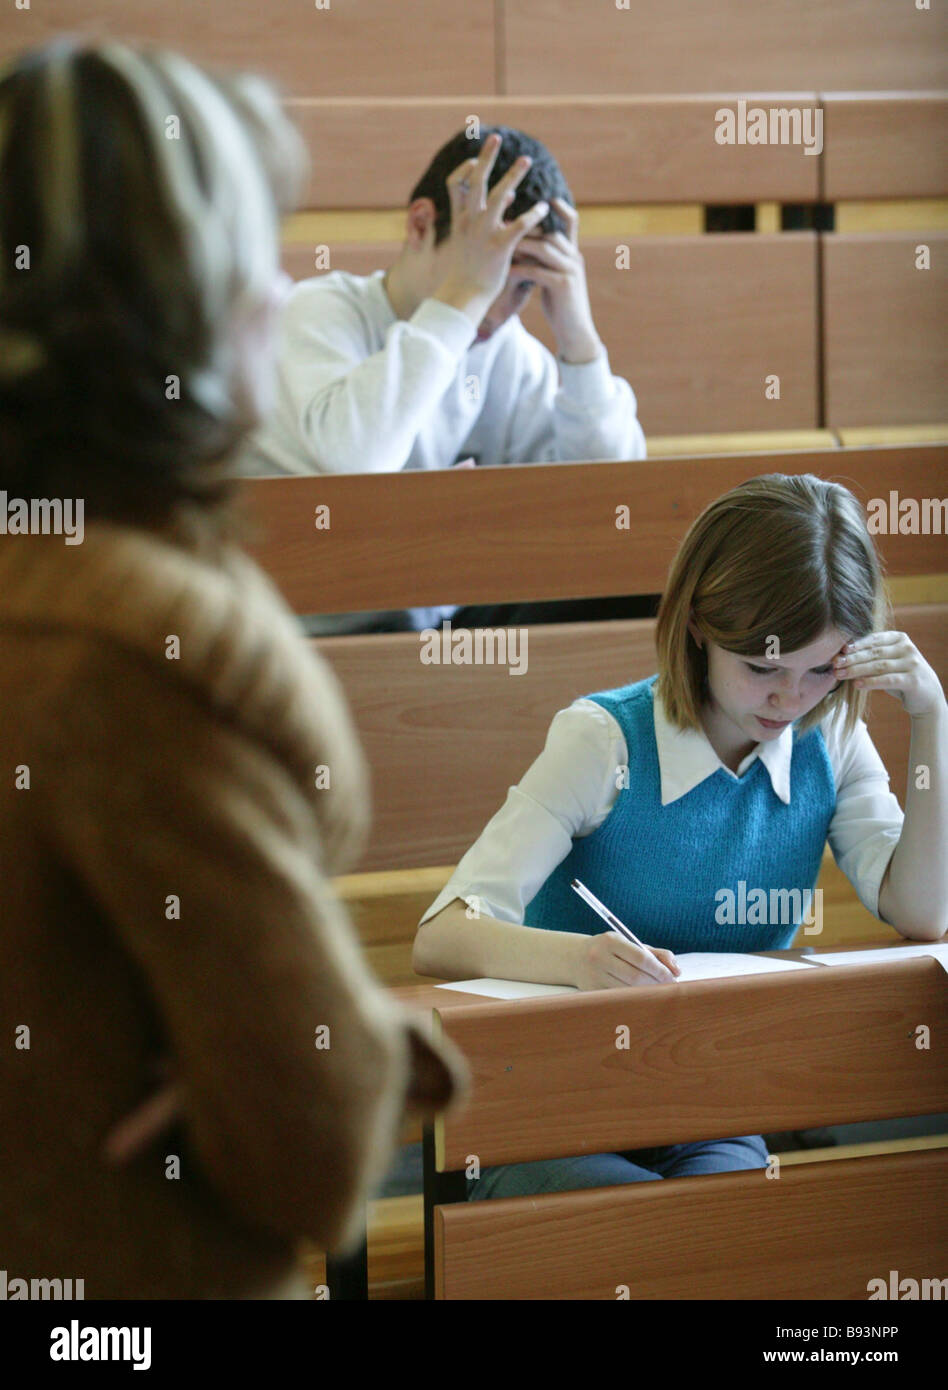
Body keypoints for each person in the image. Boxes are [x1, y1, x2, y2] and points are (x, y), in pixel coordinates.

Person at [0, 38, 466, 1300]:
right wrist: (378, 1057)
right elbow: (313, 1153)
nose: (278, 286)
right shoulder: (144, 663)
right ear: (170, 306)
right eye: (253, 248)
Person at [413, 473, 947, 1200]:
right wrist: (580, 961)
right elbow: (442, 934)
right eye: (762, 668)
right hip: (549, 1099)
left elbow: (924, 912)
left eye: (821, 670)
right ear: (698, 625)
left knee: (725, 1223)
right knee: (622, 1216)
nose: (789, 699)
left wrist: (932, 719)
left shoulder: (833, 740)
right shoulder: (604, 740)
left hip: (710, 1104)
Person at [238, 126, 655, 634]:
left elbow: (612, 508)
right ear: (420, 226)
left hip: (427, 629)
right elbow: (356, 468)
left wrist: (578, 338)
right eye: (484, 269)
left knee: (644, 582)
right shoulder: (318, 312)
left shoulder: (504, 351)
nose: (498, 306)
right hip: (304, 634)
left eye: (522, 283)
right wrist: (461, 299)